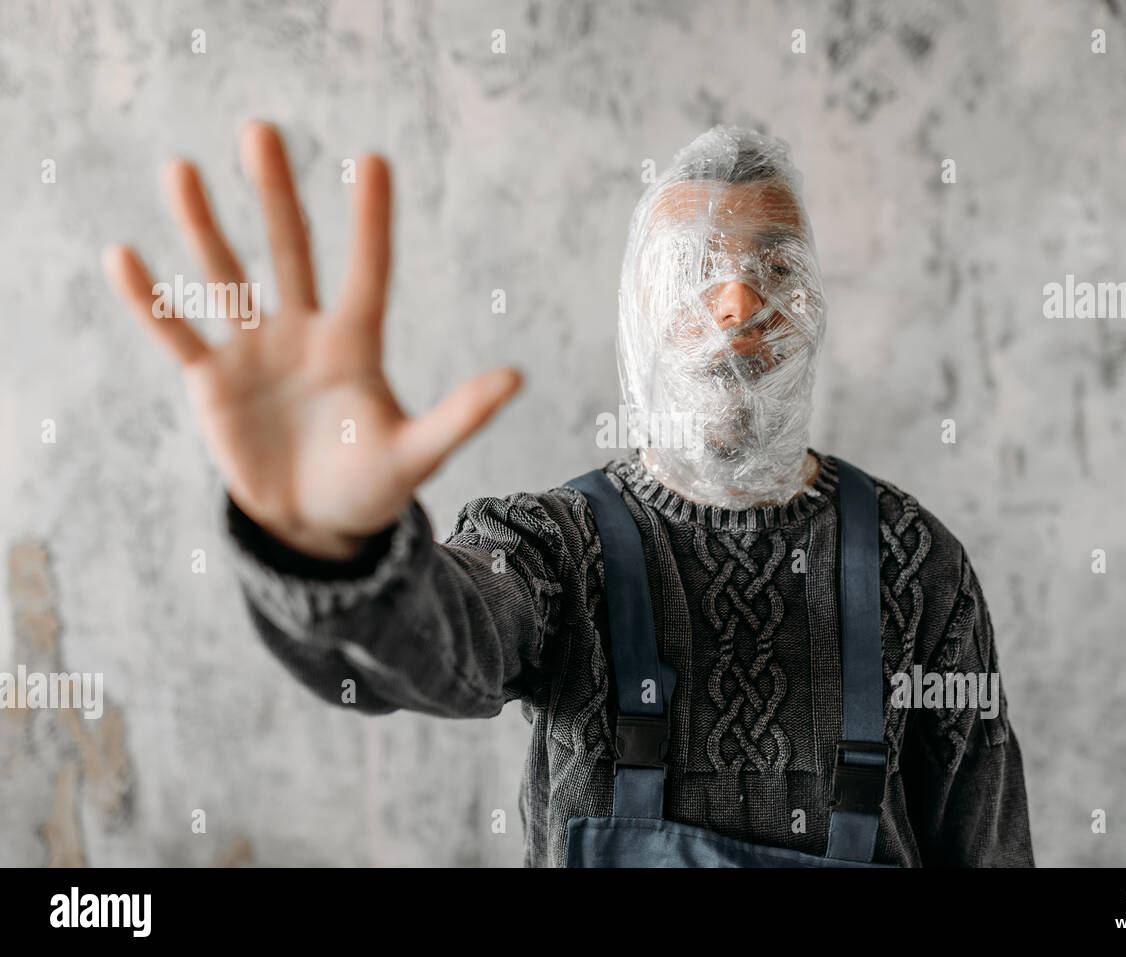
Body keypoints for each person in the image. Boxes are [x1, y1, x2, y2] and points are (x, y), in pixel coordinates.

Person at [103, 121, 1034, 867]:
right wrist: (329, 546)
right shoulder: (554, 546)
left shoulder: (919, 562)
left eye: (776, 268)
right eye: (696, 271)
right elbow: (440, 646)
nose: (739, 305)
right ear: (638, 315)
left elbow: (988, 841)